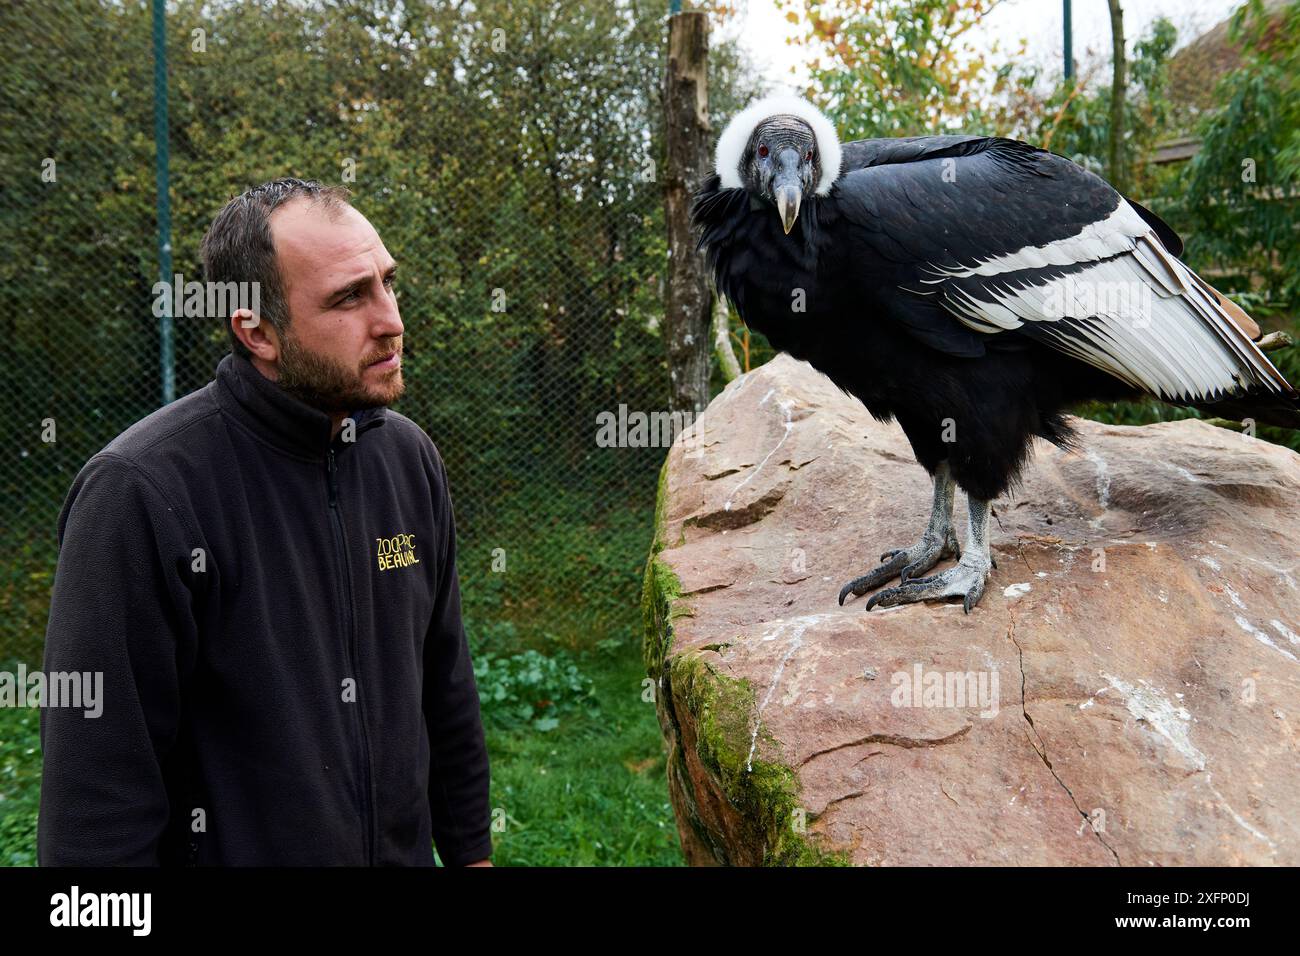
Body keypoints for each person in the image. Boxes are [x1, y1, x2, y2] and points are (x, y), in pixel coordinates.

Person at [38, 178, 492, 866]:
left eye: (387, 283)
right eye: (349, 297)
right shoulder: (141, 494)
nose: (391, 319)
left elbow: (445, 687)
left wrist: (471, 853)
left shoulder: (408, 460)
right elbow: (95, 804)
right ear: (256, 330)